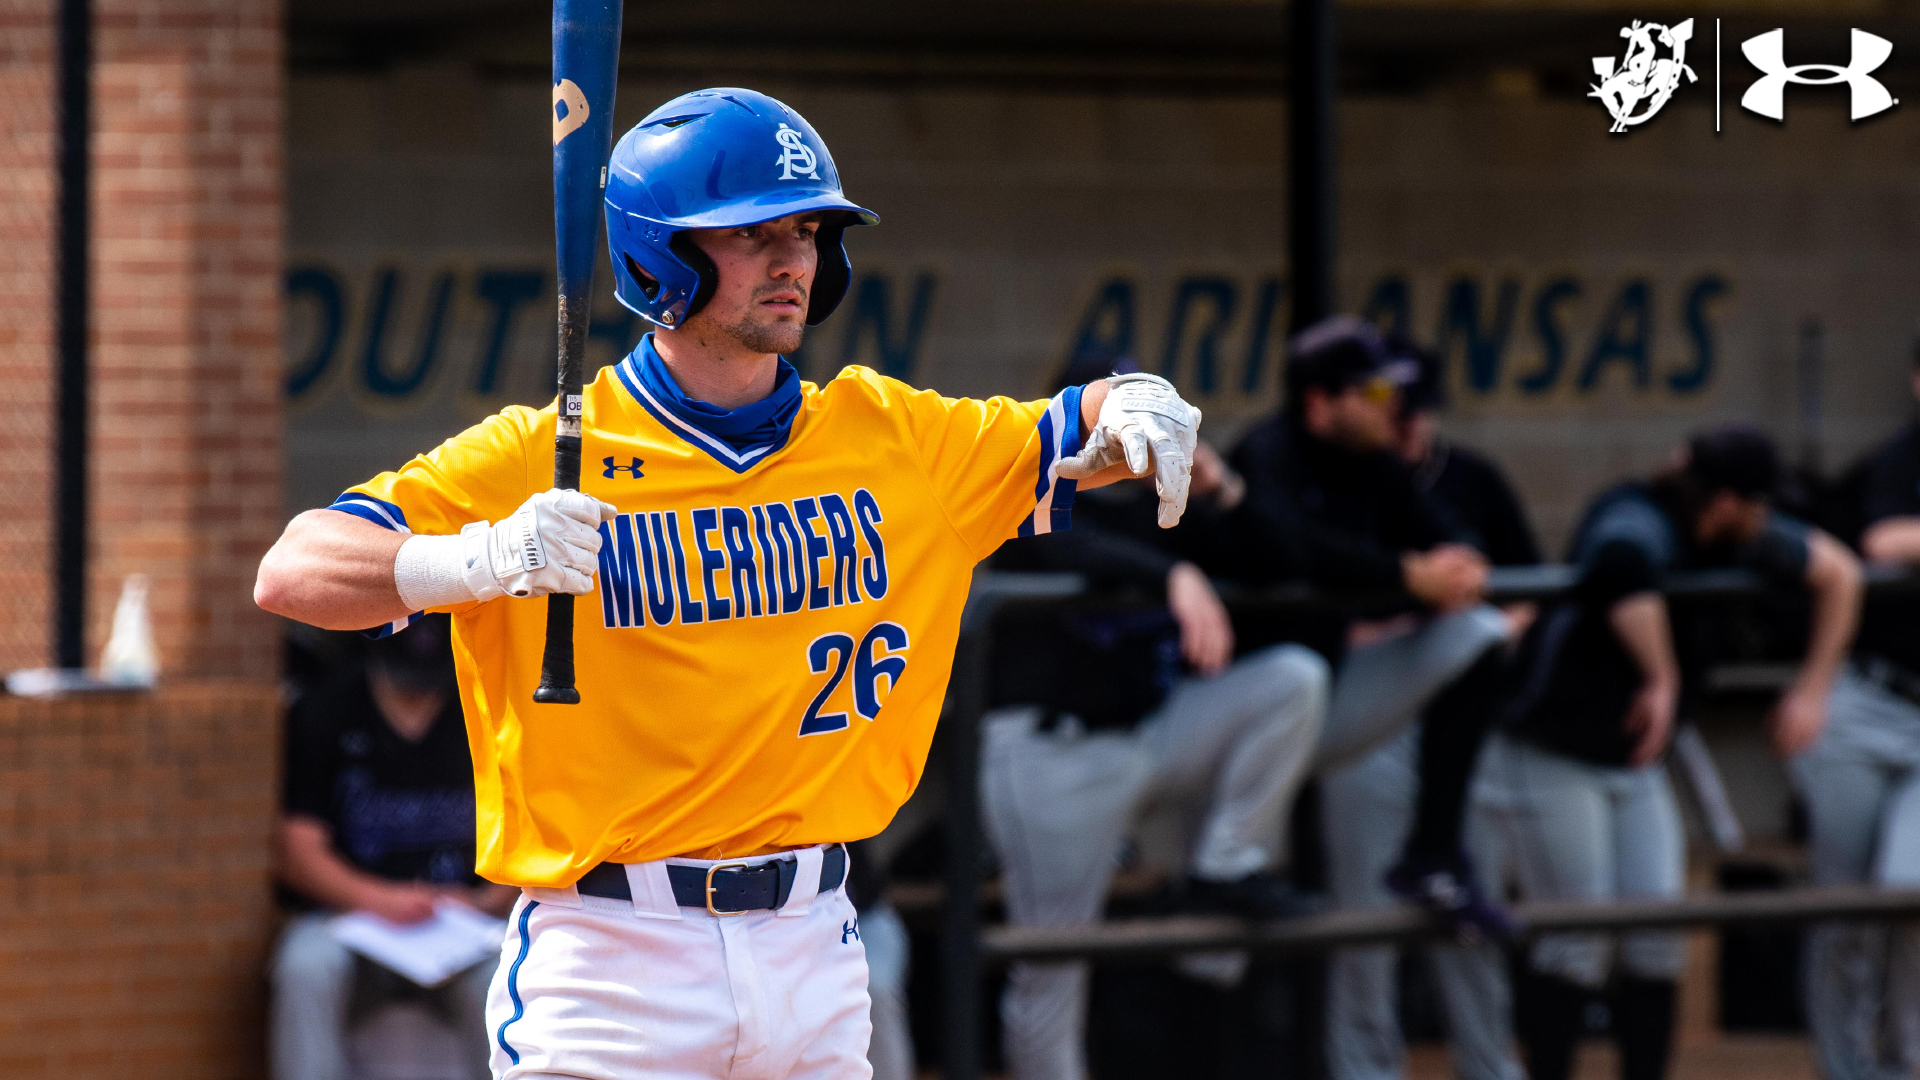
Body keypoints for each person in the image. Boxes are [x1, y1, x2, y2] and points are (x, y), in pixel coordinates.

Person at [253, 87, 1200, 1080]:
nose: (794, 260)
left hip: (817, 943)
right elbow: (293, 570)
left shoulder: (895, 438)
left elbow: (1075, 427)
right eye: (753, 236)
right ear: (662, 256)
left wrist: (1138, 400)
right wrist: (478, 561)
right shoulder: (544, 453)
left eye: (808, 232)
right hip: (613, 959)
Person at [980, 354, 1330, 1080]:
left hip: (1148, 735)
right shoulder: (1024, 476)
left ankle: (1227, 865)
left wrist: (1225, 488)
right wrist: (1170, 575)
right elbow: (1059, 543)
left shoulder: (1160, 500)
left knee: (1290, 680)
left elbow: (1288, 565)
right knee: (1051, 972)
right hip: (1049, 756)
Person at [1486, 425, 1861, 1080]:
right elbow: (1621, 567)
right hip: (1551, 749)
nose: (1763, 517)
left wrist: (1813, 688)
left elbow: (1840, 573)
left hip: (1632, 761)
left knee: (1657, 937)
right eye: (1755, 503)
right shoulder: (1635, 508)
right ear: (1722, 501)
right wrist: (1660, 674)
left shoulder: (1738, 534)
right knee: (1576, 942)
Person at [1225, 316, 1514, 931]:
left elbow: (1447, 535)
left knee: (1481, 635)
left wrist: (1452, 567)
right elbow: (1293, 550)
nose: (1397, 406)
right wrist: (1404, 576)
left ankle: (1433, 854)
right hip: (1236, 718)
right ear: (1320, 400)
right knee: (1217, 940)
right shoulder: (1265, 452)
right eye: (1377, 392)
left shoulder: (1374, 462)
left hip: (1329, 695)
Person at [1312, 340, 1538, 1080]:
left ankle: (1489, 1067)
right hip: (1372, 716)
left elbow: (1528, 586)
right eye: (1390, 410)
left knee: (1464, 912)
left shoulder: (1471, 479)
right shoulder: (1347, 477)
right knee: (1365, 922)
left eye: (1413, 412)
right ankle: (1366, 1070)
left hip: (1455, 726)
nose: (1402, 427)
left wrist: (1481, 626)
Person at [271, 614, 519, 1080]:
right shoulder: (328, 706)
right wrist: (382, 901)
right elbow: (296, 853)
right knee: (305, 965)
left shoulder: (485, 705)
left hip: (461, 923)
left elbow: (531, 831)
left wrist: (482, 901)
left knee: (503, 980)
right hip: (350, 917)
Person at [1797, 354, 1920, 1080]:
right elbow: (1884, 541)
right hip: (1868, 698)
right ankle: (1843, 1069)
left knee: (1910, 892)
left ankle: (1906, 1064)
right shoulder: (1898, 458)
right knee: (1842, 907)